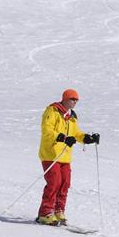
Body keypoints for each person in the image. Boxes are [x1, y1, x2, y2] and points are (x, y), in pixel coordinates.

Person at [37, 88, 98, 226]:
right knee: (54, 183)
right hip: (51, 155)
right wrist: (61, 137)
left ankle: (58, 210)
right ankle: (45, 213)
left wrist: (87, 138)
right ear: (64, 98)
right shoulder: (52, 111)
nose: (75, 102)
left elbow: (76, 133)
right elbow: (47, 130)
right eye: (72, 99)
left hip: (65, 156)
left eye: (76, 100)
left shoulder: (71, 117)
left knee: (65, 183)